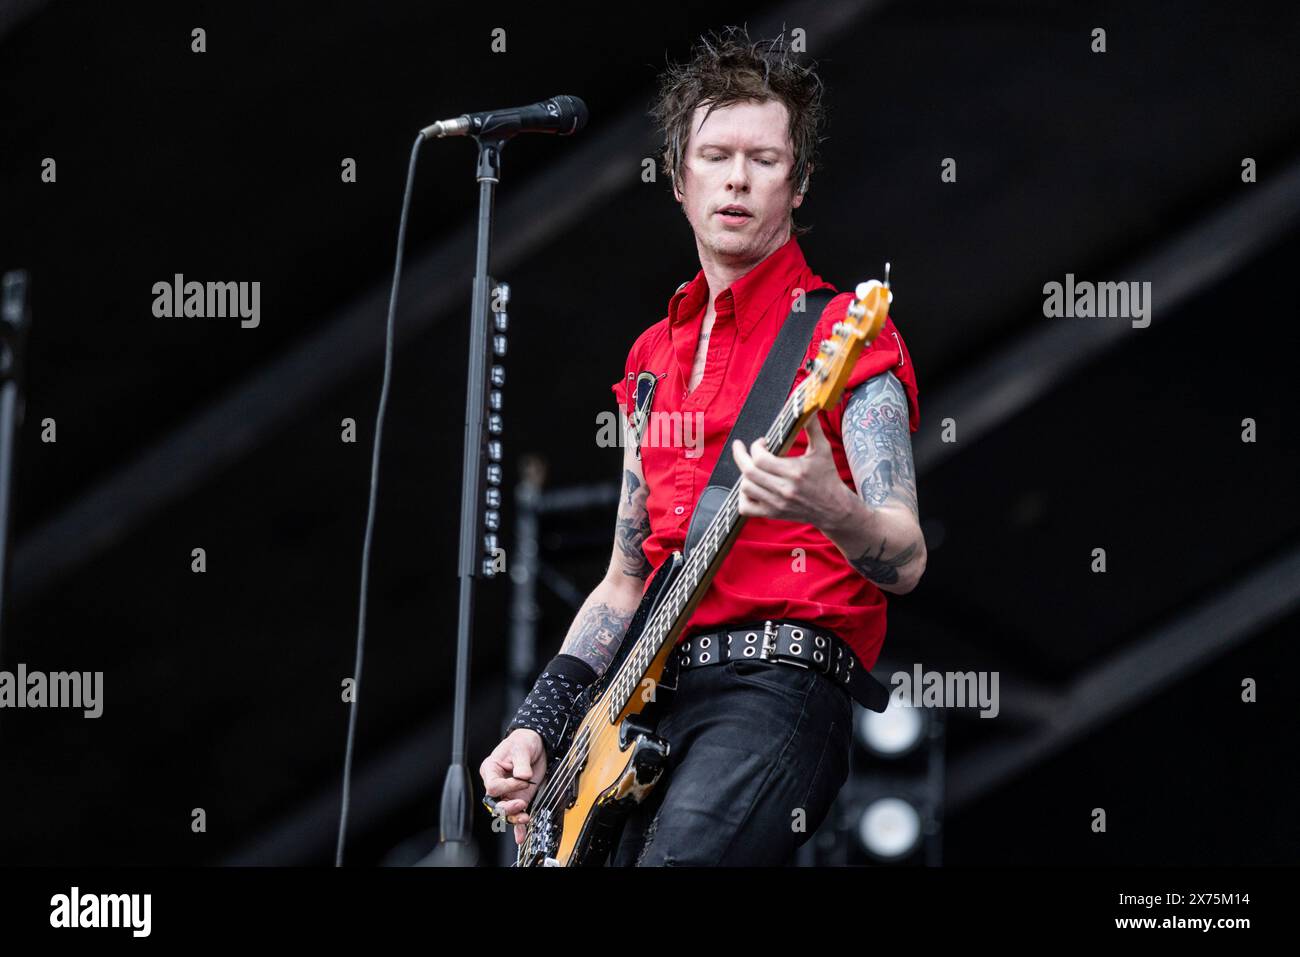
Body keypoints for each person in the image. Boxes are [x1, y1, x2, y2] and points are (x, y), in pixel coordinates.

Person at [479, 25, 925, 866]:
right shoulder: (652, 360)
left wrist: (829, 505)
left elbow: (904, 558)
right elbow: (624, 582)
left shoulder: (842, 333)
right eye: (716, 154)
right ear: (679, 179)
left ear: (798, 184)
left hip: (776, 687)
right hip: (642, 706)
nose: (738, 178)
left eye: (765, 159)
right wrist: (539, 722)